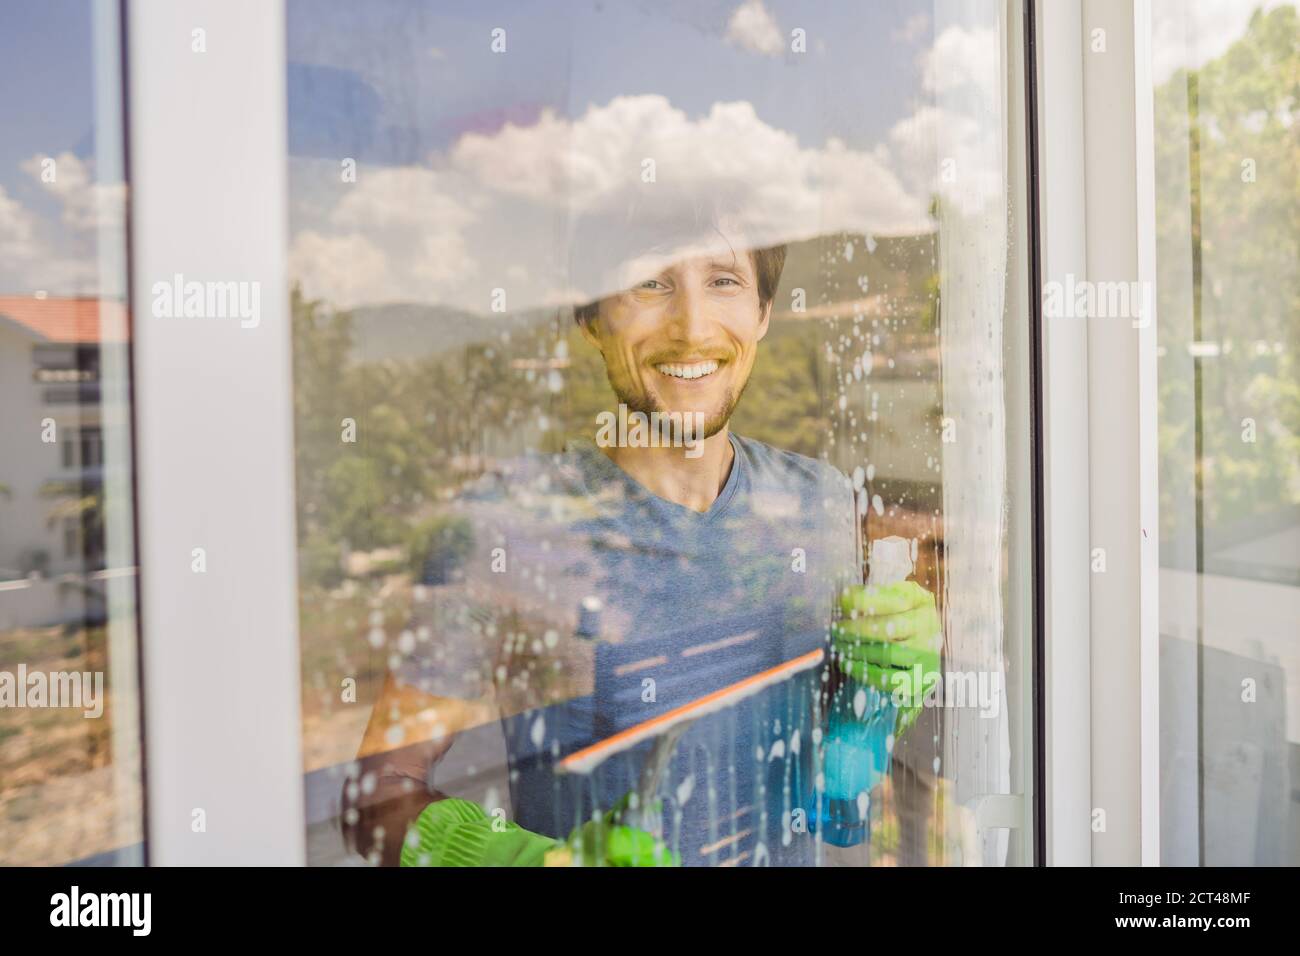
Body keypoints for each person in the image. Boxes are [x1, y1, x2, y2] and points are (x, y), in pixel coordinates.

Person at [343, 199, 940, 867]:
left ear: (763, 313)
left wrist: (880, 694)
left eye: (724, 282)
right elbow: (374, 801)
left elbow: (835, 798)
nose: (691, 329)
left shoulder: (820, 501)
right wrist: (522, 862)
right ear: (592, 318)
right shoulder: (506, 527)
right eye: (650, 282)